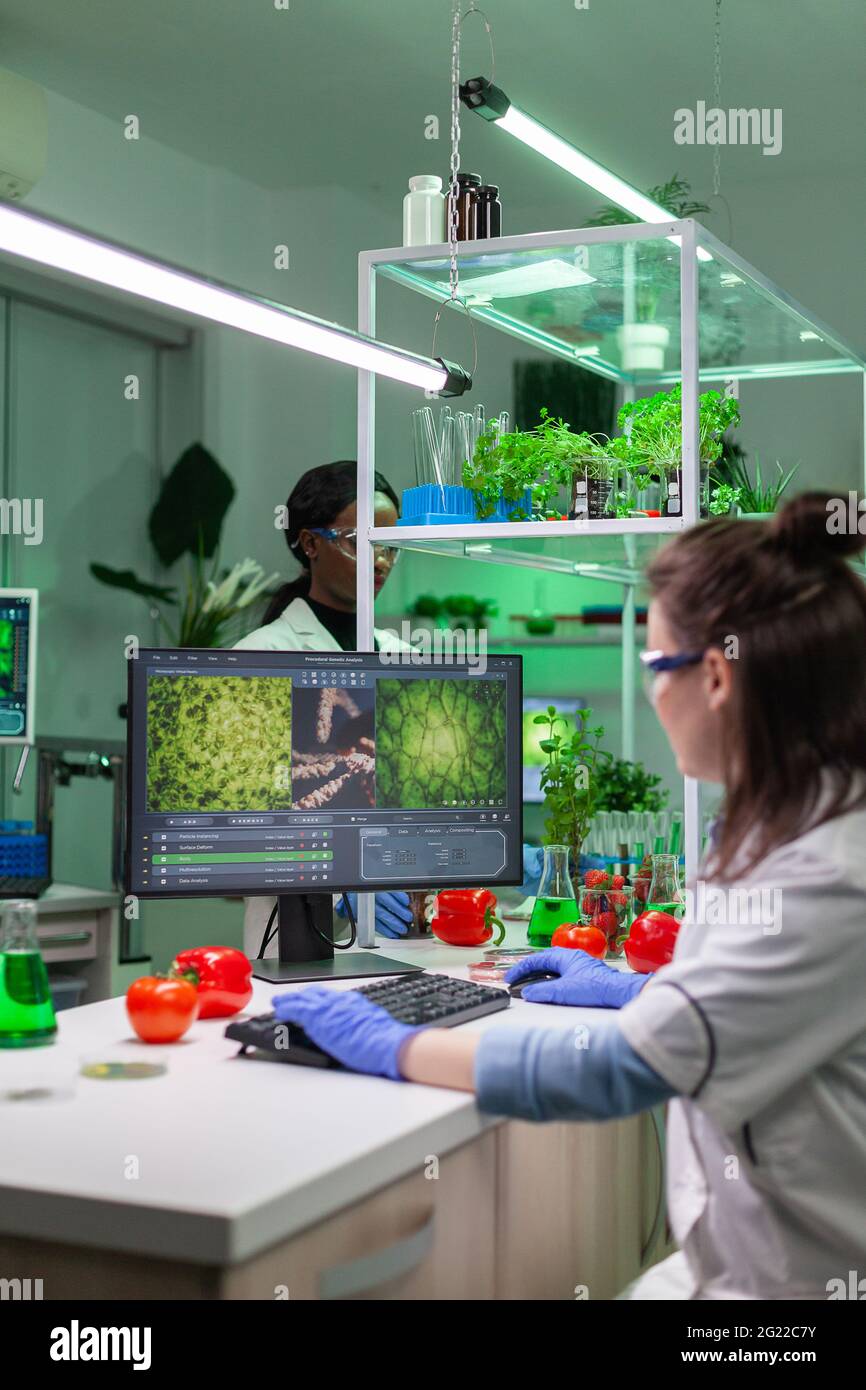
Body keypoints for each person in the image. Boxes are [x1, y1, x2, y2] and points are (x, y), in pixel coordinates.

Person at [271, 492, 866, 1300]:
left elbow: (619, 1071)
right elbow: (765, 1001)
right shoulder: (796, 819)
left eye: (656, 668)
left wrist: (388, 1044)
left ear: (717, 676)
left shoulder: (827, 871)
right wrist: (645, 990)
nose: (654, 697)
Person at [235, 460, 413, 953]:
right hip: (293, 938)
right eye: (360, 541)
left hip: (402, 932)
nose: (381, 561)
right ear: (310, 543)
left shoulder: (406, 659)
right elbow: (238, 825)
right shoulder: (260, 656)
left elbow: (417, 803)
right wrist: (337, 886)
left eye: (390, 546)